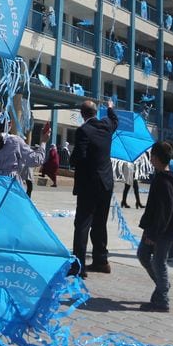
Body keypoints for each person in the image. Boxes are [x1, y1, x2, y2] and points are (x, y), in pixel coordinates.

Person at [70, 99, 120, 278]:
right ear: (96, 112)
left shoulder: (83, 130)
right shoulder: (107, 126)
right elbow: (115, 120)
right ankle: (101, 260)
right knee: (99, 223)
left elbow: (79, 157)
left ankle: (78, 266)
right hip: (106, 184)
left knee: (82, 224)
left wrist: (71, 159)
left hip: (89, 185)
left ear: (82, 114)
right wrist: (110, 108)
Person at [137, 141, 173, 312]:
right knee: (143, 255)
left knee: (158, 262)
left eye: (151, 157)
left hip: (163, 231)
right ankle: (163, 285)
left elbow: (165, 212)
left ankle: (162, 299)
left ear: (154, 158)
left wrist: (154, 235)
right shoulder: (162, 178)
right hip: (155, 228)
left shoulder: (164, 181)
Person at [0, 113, 44, 181]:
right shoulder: (16, 141)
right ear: (10, 124)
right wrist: (43, 142)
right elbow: (36, 160)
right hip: (10, 186)